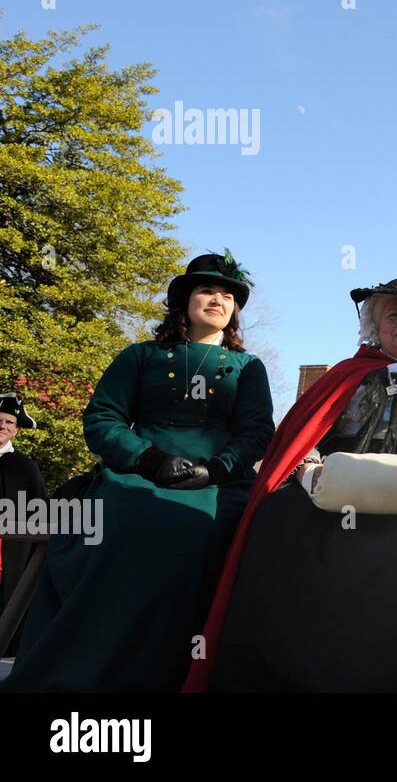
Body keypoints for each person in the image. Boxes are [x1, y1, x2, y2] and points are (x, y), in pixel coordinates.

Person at [186, 279, 397, 693]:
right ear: (375, 324)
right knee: (275, 517)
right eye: (391, 315)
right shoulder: (344, 375)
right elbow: (299, 444)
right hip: (334, 501)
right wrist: (309, 473)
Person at [4, 251, 274, 691]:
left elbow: (257, 430)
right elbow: (102, 418)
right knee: (123, 524)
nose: (217, 300)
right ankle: (95, 668)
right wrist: (148, 459)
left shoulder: (249, 368)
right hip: (137, 472)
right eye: (206, 290)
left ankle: (178, 674)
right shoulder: (140, 355)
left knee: (202, 532)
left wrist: (216, 469)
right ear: (184, 301)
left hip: (219, 481)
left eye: (228, 295)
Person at [0, 393, 48, 657]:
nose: (3, 426)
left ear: (16, 431)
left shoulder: (25, 468)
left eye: (9, 422)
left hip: (10, 555)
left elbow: (40, 515)